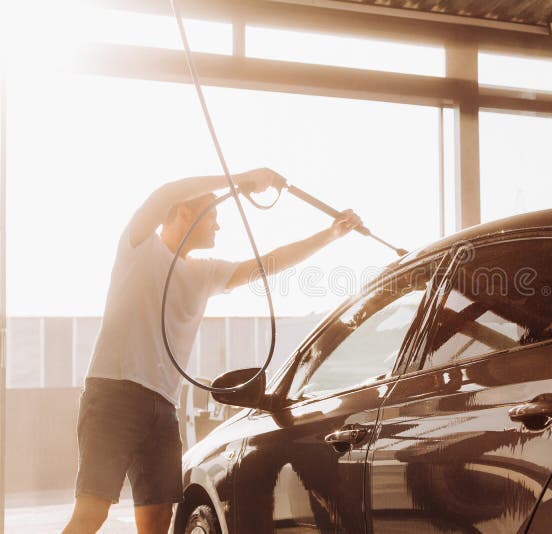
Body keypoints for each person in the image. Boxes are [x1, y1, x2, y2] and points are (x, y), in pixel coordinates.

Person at [62, 168, 362, 534]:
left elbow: (269, 263)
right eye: (214, 215)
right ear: (185, 214)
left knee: (156, 522)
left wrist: (331, 234)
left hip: (163, 408)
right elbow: (164, 193)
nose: (219, 226)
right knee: (91, 514)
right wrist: (240, 179)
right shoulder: (138, 246)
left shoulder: (205, 274)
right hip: (114, 395)